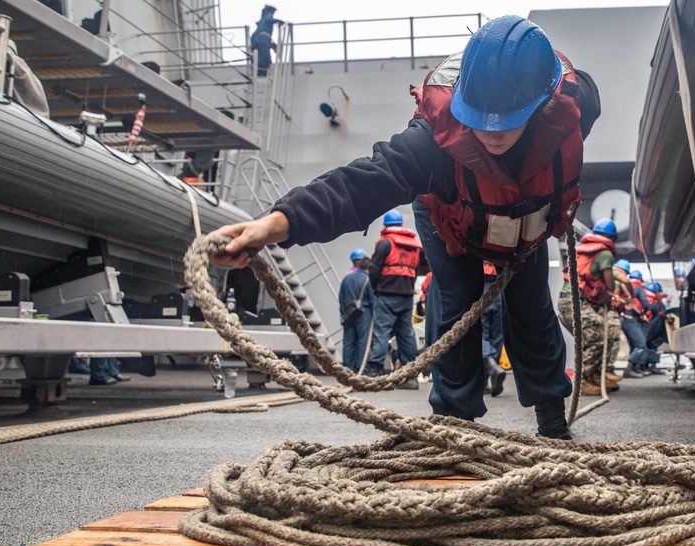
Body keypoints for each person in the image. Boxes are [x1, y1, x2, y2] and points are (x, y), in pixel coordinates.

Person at [213, 15, 601, 439]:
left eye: (505, 119)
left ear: (542, 104)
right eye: (479, 117)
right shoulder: (433, 144)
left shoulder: (576, 105)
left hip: (525, 222)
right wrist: (273, 225)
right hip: (453, 216)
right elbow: (363, 185)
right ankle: (455, 424)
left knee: (532, 305)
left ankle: (551, 416)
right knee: (456, 303)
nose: (490, 131)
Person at [557, 219, 623, 396]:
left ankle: (594, 376)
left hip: (568, 301)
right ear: (612, 238)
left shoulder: (584, 250)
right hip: (574, 302)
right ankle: (583, 380)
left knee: (597, 335)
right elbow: (610, 284)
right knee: (598, 337)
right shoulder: (604, 253)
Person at [366, 210, 420, 389]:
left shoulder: (385, 243)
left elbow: (374, 269)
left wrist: (376, 288)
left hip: (387, 294)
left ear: (385, 225)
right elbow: (414, 271)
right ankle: (411, 377)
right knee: (406, 334)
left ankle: (375, 372)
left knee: (381, 332)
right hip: (406, 296)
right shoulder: (412, 245)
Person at [338, 248, 374, 371]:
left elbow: (341, 298)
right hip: (364, 314)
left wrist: (343, 312)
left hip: (348, 313)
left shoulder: (346, 278)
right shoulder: (368, 279)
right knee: (363, 342)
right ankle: (361, 370)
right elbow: (373, 300)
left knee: (348, 342)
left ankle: (347, 369)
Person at [480, 261, 506, 397]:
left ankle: (491, 369)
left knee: (481, 336)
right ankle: (490, 377)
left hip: (480, 289)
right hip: (499, 290)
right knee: (497, 338)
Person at [251, 5, 283, 77]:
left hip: (261, 39)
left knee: (262, 56)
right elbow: (269, 20)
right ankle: (262, 73)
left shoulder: (262, 21)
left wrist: (272, 44)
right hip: (264, 39)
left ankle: (260, 72)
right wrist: (279, 21)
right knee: (265, 57)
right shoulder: (268, 16)